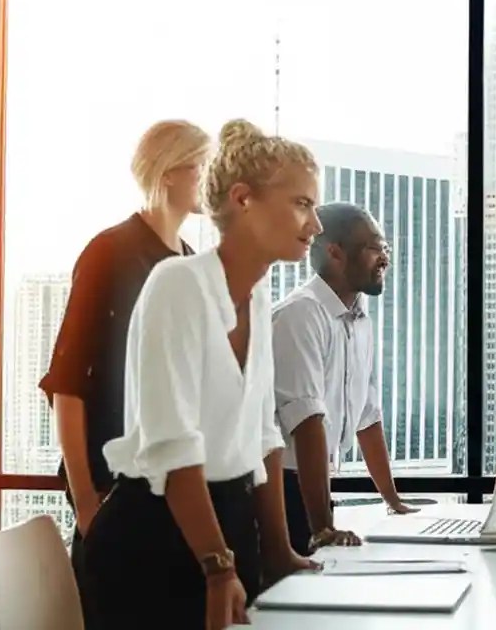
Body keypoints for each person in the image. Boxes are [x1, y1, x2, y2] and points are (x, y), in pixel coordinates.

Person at [84, 119, 321, 630]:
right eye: (302, 204)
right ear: (243, 199)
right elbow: (175, 447)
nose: (316, 225)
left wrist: (279, 552)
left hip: (228, 533)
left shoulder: (259, 300)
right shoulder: (177, 284)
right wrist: (218, 568)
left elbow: (264, 437)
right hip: (152, 544)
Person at [39, 119, 209, 626]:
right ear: (170, 172)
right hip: (117, 505)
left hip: (174, 502)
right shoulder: (109, 253)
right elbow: (68, 385)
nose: (214, 177)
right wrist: (87, 505)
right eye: (204, 165)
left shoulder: (190, 262)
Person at [272, 202, 419, 556]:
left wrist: (393, 502)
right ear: (335, 253)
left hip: (316, 485)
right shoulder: (300, 315)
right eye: (374, 248)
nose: (385, 258)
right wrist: (323, 527)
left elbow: (367, 416)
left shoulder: (359, 320)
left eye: (386, 248)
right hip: (283, 489)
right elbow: (307, 424)